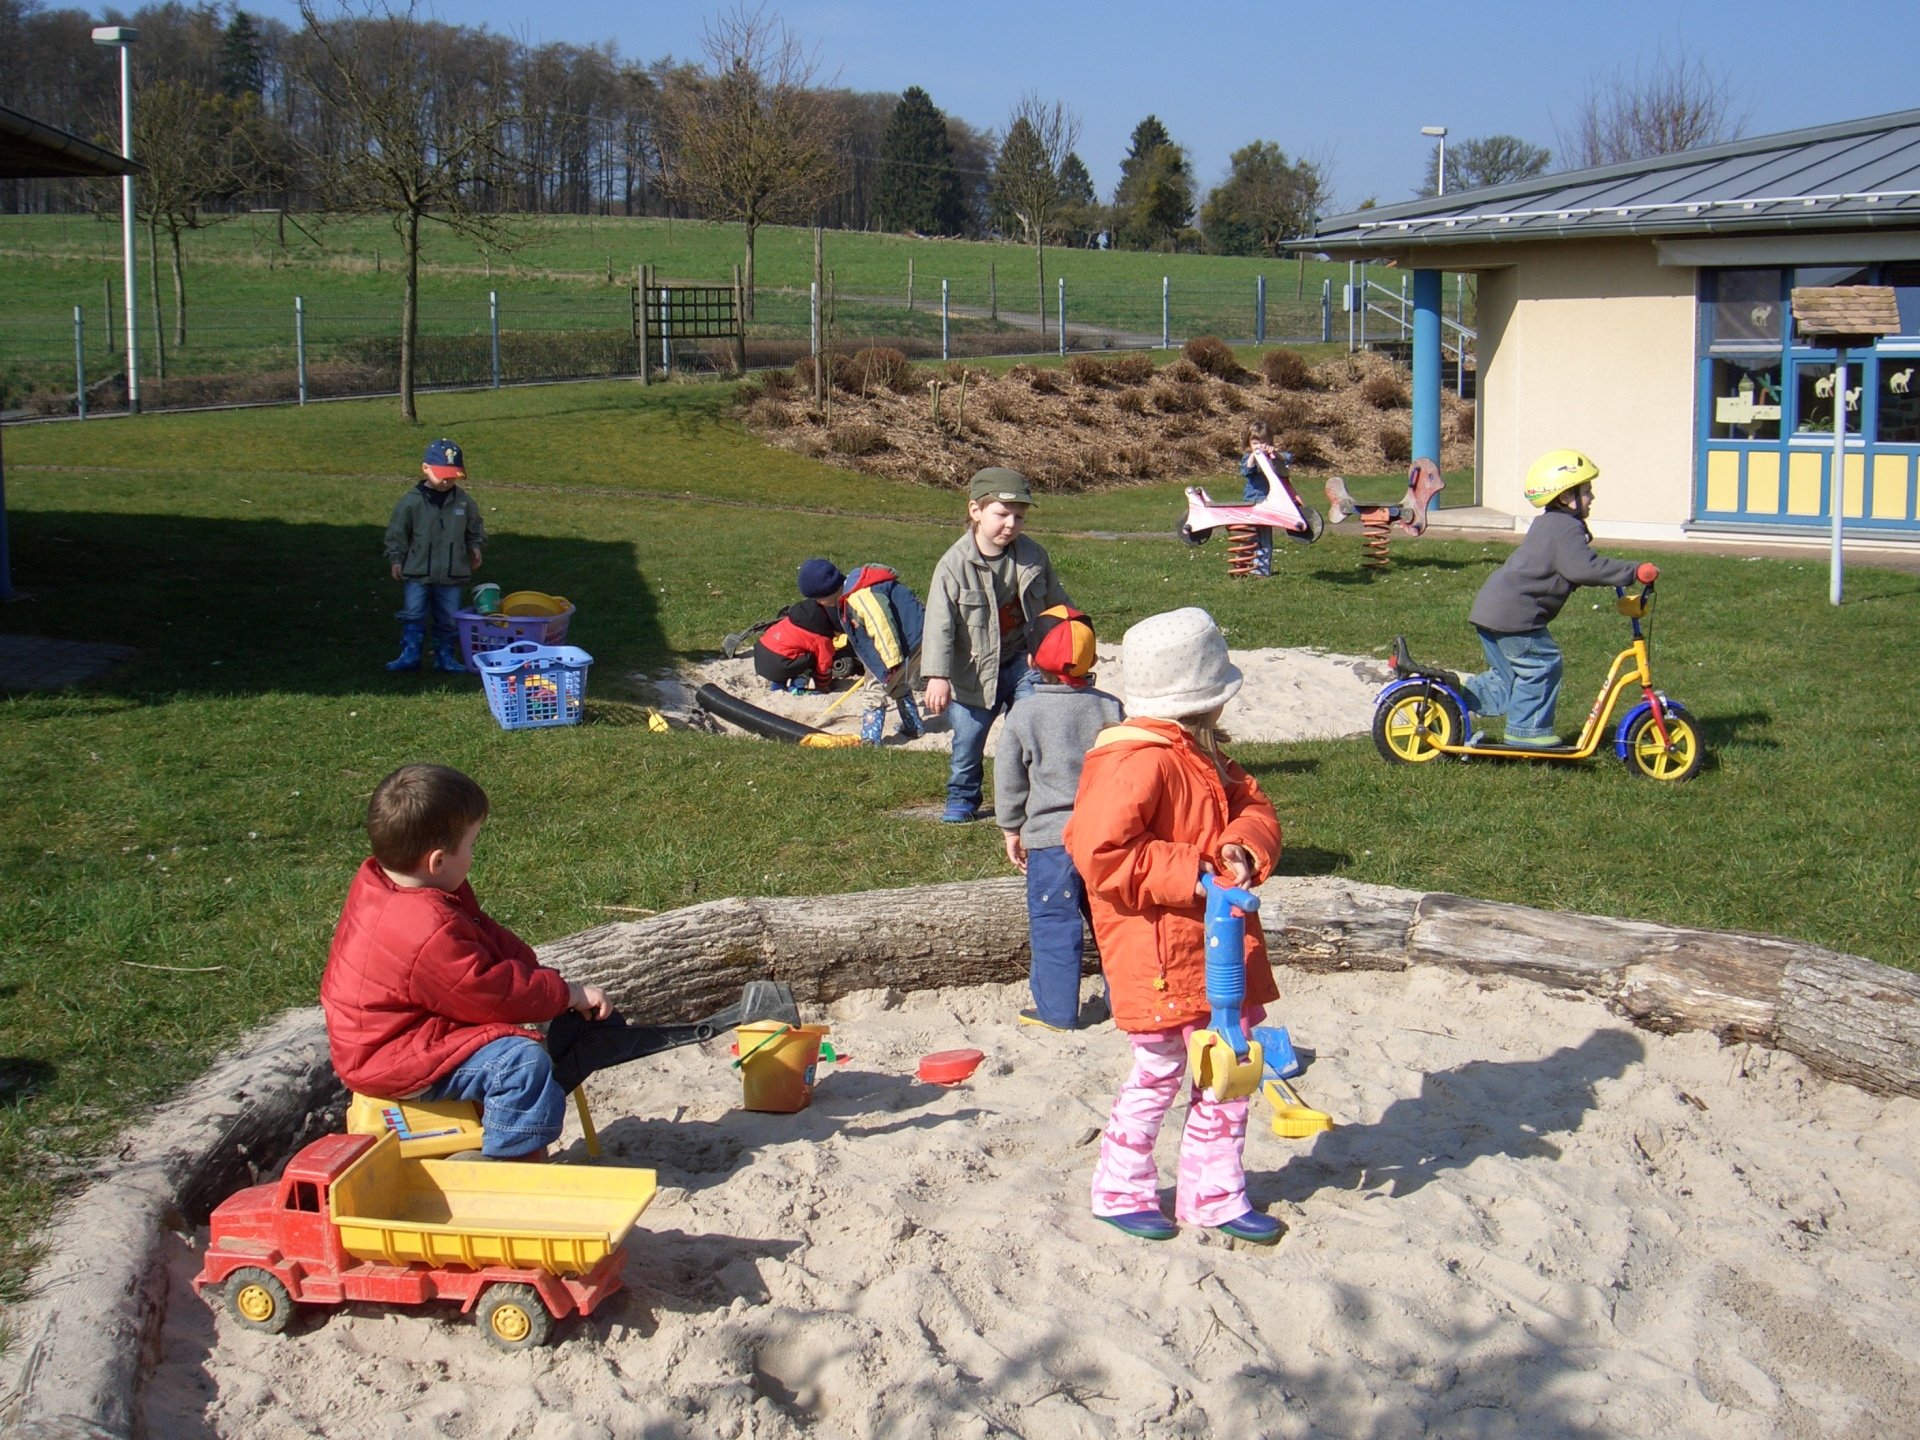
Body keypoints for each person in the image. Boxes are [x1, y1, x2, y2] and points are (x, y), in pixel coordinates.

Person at [1063, 608, 1284, 1245]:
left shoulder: (1201, 753)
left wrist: (1241, 847)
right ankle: (1120, 1188)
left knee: (1229, 1071)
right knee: (1158, 1072)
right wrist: (1195, 872)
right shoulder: (1137, 761)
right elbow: (1100, 851)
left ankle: (1213, 1196)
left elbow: (1253, 805)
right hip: (1158, 953)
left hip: (1217, 953)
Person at [321, 764, 610, 1161]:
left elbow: (483, 935)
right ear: (437, 860)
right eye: (472, 843)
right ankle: (512, 1166)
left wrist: (536, 974)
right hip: (389, 1055)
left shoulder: (393, 884)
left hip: (396, 1029)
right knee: (520, 1065)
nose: (474, 854)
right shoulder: (424, 927)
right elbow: (489, 991)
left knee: (517, 1034)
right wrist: (565, 994)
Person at [1447, 449, 1658, 747]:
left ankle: (1447, 698)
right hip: (1516, 616)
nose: (1592, 497)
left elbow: (1565, 566)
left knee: (1508, 676)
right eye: (1585, 491)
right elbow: (1581, 567)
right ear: (1564, 497)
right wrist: (1633, 571)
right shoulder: (1565, 527)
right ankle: (1527, 733)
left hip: (1492, 609)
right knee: (1542, 665)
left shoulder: (1548, 524)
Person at [994, 605, 1123, 1031]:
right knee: (1114, 923)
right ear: (1093, 661)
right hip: (1106, 837)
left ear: (1031, 662)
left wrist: (1012, 827)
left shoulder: (1024, 715)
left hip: (1050, 841)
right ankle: (1123, 1002)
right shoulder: (1111, 710)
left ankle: (1056, 1011)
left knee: (1053, 923)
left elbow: (1010, 778)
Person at [921, 467, 1072, 823]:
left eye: (1019, 517)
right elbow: (939, 626)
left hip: (1024, 662)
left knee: (1034, 729)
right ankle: (962, 797)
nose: (1011, 524)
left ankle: (1038, 800)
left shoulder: (1034, 557)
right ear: (975, 510)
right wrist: (937, 676)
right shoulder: (953, 565)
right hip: (973, 673)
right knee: (968, 743)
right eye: (1002, 514)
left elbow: (1057, 606)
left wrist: (1059, 645)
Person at [797, 557, 928, 741]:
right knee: (897, 684)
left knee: (874, 689)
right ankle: (913, 726)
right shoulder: (852, 590)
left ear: (827, 591)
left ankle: (870, 738)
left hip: (900, 644)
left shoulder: (860, 595)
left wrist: (890, 661)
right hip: (902, 641)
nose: (818, 603)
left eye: (818, 598)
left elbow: (882, 626)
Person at [384, 438, 485, 673]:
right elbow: (397, 533)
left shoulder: (463, 501)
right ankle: (410, 655)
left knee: (449, 618)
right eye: (443, 475)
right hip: (417, 571)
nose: (447, 481)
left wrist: (475, 546)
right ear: (425, 469)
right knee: (413, 614)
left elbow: (475, 528)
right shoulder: (411, 502)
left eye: (453, 476)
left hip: (452, 572)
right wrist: (396, 558)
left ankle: (445, 657)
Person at [751, 592, 842, 693]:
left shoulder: (794, 619)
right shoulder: (822, 639)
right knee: (814, 658)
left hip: (761, 654)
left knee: (792, 651)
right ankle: (797, 687)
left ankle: (778, 684)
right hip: (780, 664)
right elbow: (824, 665)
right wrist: (823, 685)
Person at [1237, 418, 1281, 578]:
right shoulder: (1248, 458)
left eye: (1263, 442)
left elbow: (1282, 467)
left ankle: (1261, 570)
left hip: (1266, 502)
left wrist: (1272, 454)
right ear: (1249, 444)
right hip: (1250, 502)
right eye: (1255, 442)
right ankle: (1241, 566)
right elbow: (1246, 471)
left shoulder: (1271, 457)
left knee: (1264, 537)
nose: (1259, 446)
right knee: (1248, 536)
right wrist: (1254, 455)